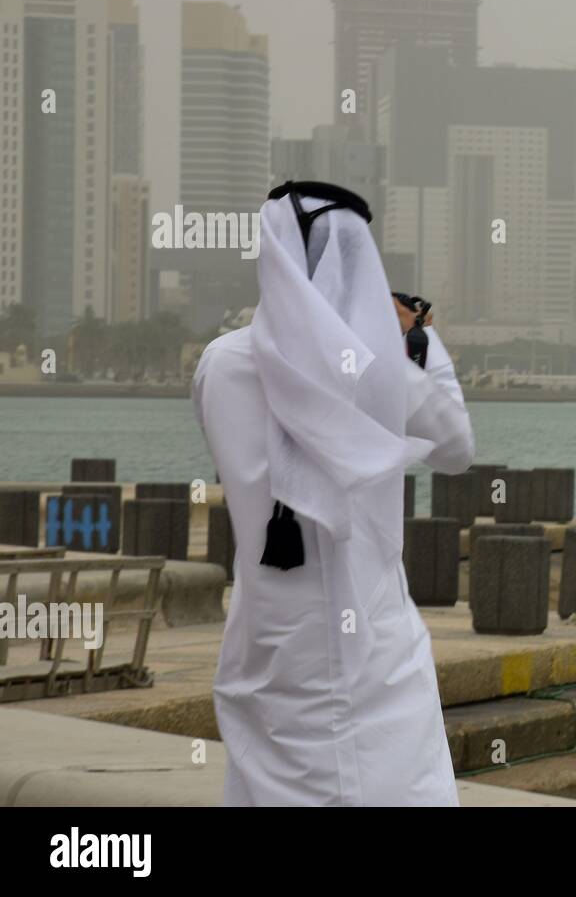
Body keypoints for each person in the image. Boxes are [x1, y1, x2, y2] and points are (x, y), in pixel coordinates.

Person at [191, 183, 474, 805]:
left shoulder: (218, 363)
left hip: (266, 631)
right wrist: (418, 344)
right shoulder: (381, 372)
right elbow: (457, 448)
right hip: (365, 636)